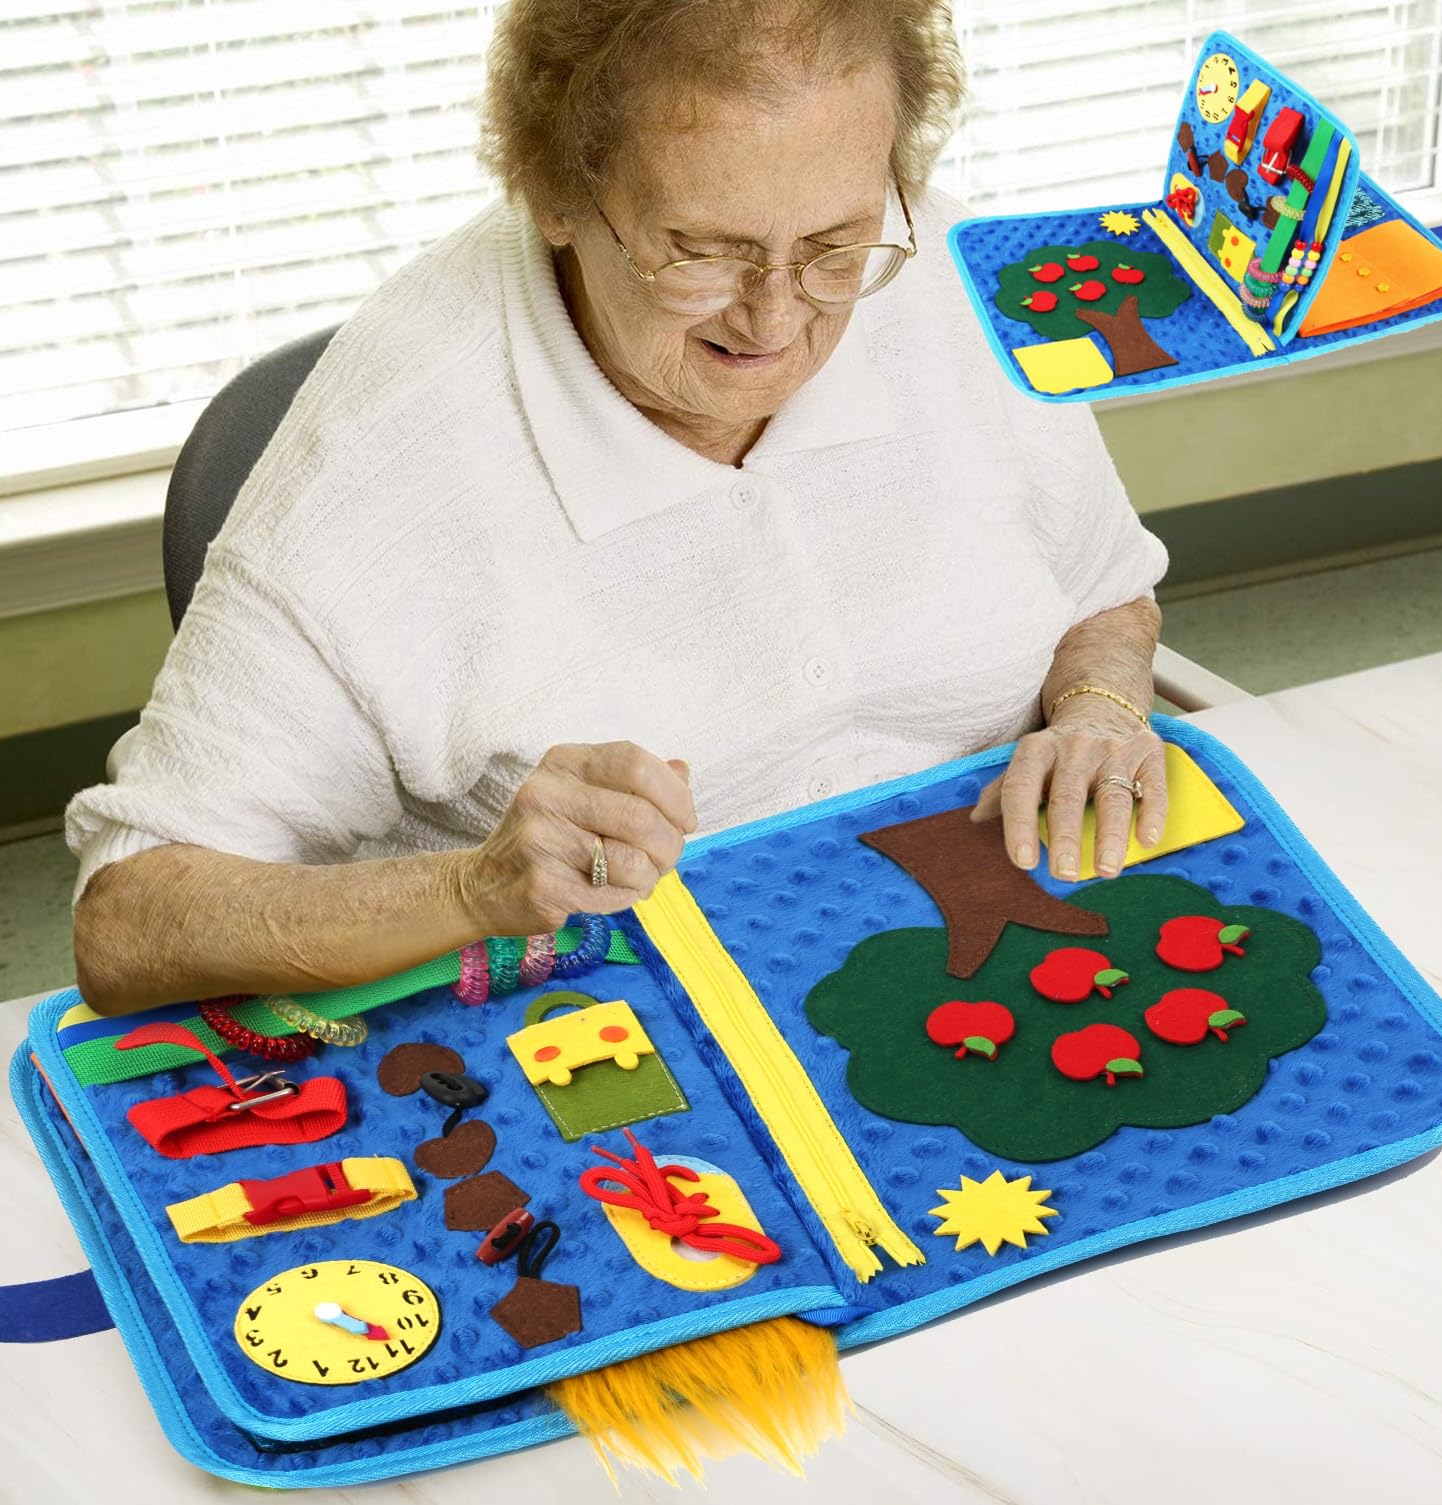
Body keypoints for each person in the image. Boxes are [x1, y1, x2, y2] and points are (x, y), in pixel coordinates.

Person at [66, 0, 1171, 1018]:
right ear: (552, 189)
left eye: (833, 247)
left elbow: (1102, 591)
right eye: (701, 252)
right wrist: (476, 884)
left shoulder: (932, 267)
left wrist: (1098, 708)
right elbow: (128, 918)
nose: (777, 318)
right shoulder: (383, 457)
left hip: (1005, 947)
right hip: (607, 1029)